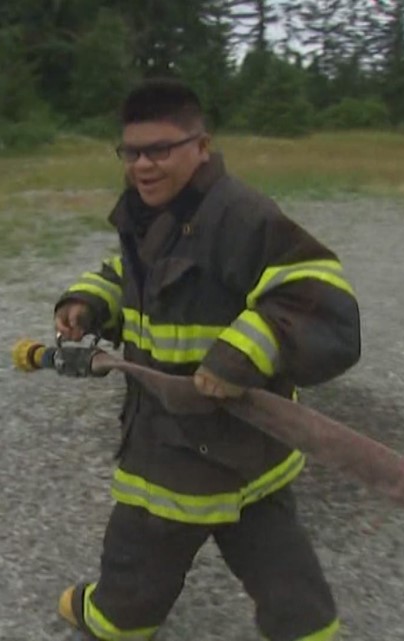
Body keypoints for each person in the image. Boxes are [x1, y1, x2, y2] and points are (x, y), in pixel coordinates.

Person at [51, 78, 362, 641]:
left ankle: (112, 620)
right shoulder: (147, 215)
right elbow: (130, 278)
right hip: (202, 441)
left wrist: (238, 356)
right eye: (132, 152)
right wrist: (87, 302)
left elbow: (321, 295)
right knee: (276, 557)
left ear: (202, 145)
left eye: (160, 150)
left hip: (194, 449)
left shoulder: (240, 216)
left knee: (144, 547)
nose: (143, 166)